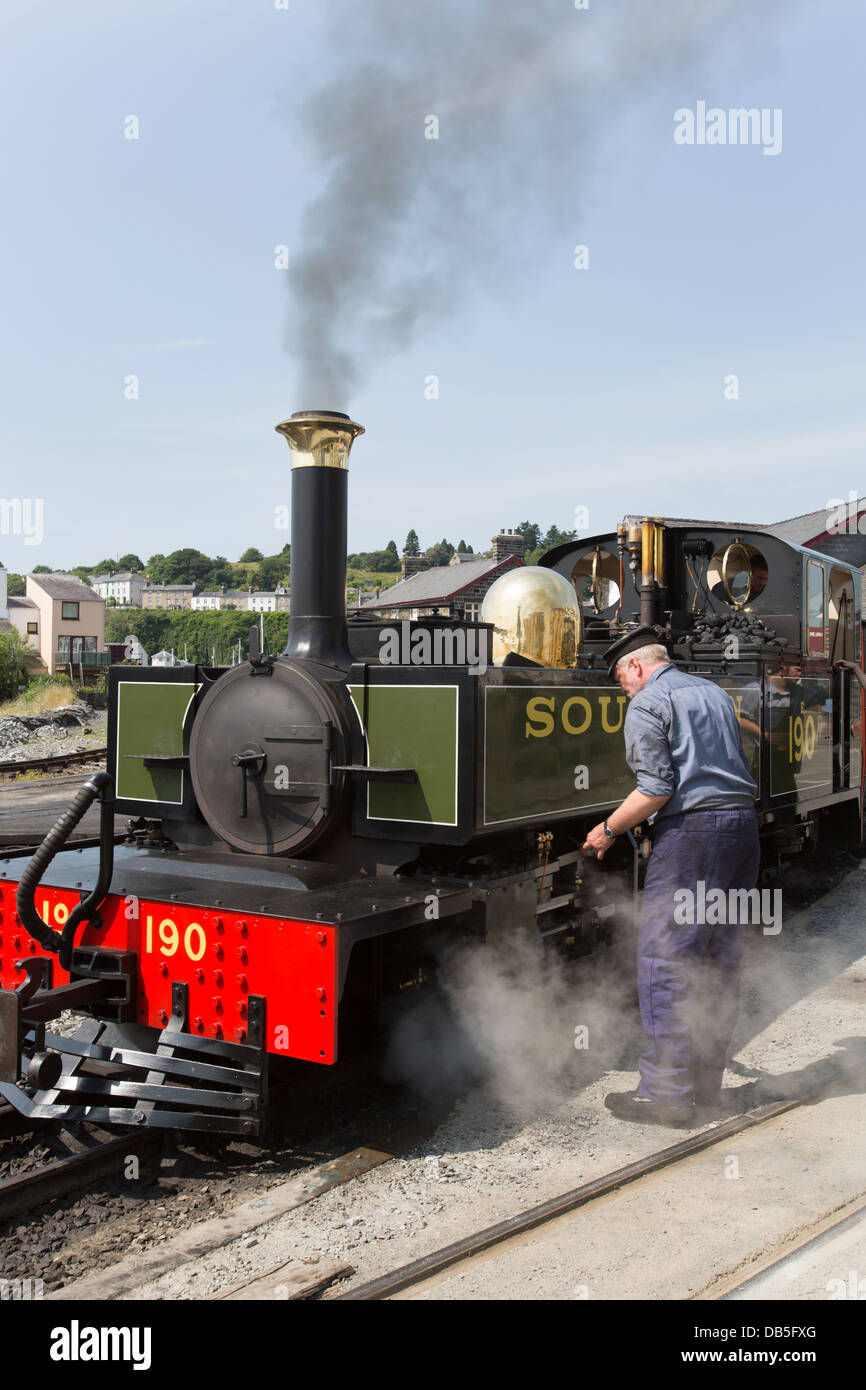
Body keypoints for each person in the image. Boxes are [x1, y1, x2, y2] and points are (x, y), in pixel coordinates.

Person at [582, 626, 760, 1127]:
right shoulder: (712, 693)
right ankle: (704, 1087)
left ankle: (667, 1095)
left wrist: (608, 830)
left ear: (636, 666)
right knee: (719, 958)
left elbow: (656, 789)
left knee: (668, 960)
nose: (624, 690)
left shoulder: (647, 704)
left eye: (621, 679)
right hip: (741, 828)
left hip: (693, 836)